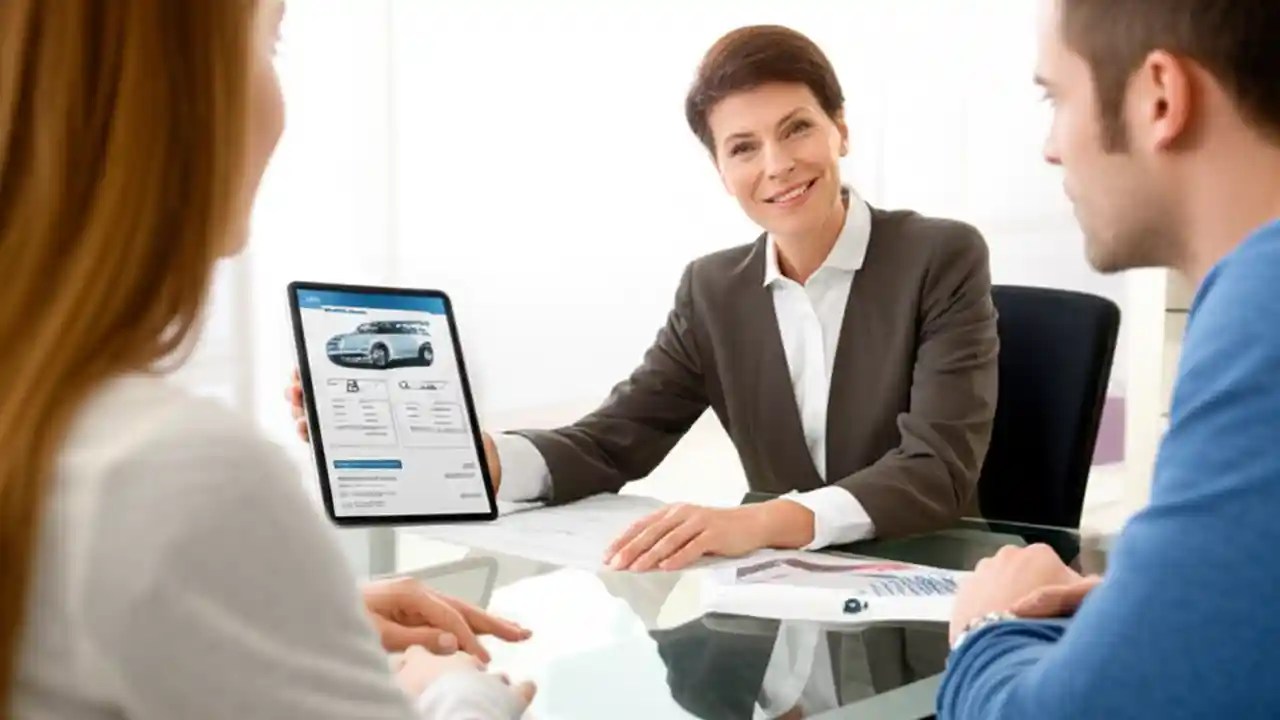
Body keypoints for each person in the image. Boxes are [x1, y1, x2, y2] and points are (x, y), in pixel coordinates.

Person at [288, 24, 1000, 571]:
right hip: (784, 608)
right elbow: (612, 441)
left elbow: (936, 471)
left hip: (927, 589)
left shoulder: (939, 256)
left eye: (797, 129)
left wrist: (758, 521)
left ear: (840, 127)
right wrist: (473, 456)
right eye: (743, 147)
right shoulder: (714, 290)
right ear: (721, 170)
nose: (777, 165)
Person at [0, 1, 533, 717]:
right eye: (271, 44)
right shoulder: (169, 470)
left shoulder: (59, 434)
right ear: (179, 88)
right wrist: (456, 692)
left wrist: (288, 611)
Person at [940, 0, 1280, 716]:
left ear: (1160, 96)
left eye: (1055, 97)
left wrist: (988, 629)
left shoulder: (1265, 309)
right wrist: (1159, 612)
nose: (1051, 147)